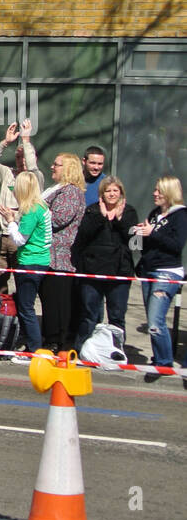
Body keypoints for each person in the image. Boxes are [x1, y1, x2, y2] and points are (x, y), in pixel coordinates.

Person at [72, 176, 137, 350]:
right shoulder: (92, 211)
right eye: (108, 190)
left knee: (117, 316)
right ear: (102, 193)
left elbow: (135, 242)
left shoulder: (129, 212)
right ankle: (83, 349)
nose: (112, 194)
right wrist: (101, 217)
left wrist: (120, 219)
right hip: (93, 271)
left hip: (119, 273)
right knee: (89, 314)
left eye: (115, 190)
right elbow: (82, 237)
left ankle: (116, 351)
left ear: (121, 193)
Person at [131, 176, 187, 378]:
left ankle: (164, 362)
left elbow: (176, 245)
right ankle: (158, 358)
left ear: (170, 193)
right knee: (152, 317)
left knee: (155, 322)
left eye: (159, 191)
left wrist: (153, 232)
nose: (155, 194)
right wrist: (141, 233)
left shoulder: (180, 215)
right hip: (148, 270)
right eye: (155, 190)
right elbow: (149, 243)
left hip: (167, 271)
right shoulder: (155, 213)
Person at [0, 171, 51, 364]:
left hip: (31, 261)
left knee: (26, 307)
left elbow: (20, 239)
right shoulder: (42, 207)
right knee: (26, 304)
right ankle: (31, 343)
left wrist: (11, 221)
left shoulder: (31, 210)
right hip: (41, 260)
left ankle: (33, 349)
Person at [0, 119, 44, 290]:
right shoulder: (7, 173)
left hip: (22, 237)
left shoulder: (35, 178)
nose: (21, 160)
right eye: (18, 156)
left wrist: (26, 141)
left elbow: (31, 167)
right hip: (1, 236)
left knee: (23, 284)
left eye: (25, 157)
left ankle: (19, 314)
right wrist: (5, 143)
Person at [40, 152, 86, 351]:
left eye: (56, 164)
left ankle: (56, 342)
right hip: (49, 256)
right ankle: (51, 337)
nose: (52, 167)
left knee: (57, 303)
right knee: (49, 300)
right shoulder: (56, 189)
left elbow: (58, 219)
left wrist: (36, 211)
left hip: (60, 259)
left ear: (68, 169)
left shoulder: (71, 193)